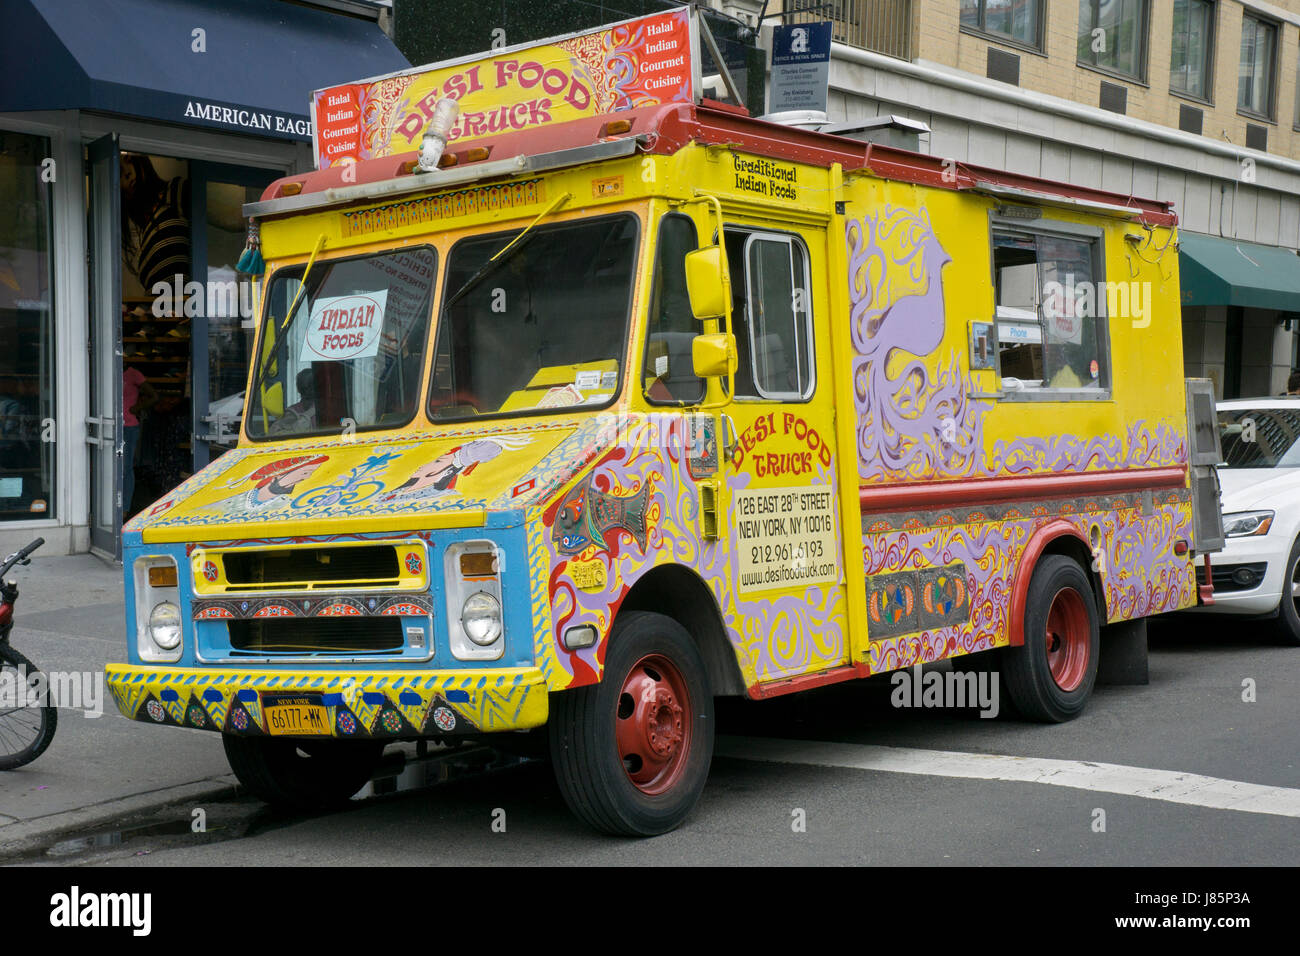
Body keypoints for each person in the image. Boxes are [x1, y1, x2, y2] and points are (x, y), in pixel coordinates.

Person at [122, 365, 157, 515]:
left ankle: (124, 509)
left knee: (126, 467)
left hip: (128, 426)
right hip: (110, 425)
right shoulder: (106, 371)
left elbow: (154, 396)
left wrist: (136, 408)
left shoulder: (133, 374)